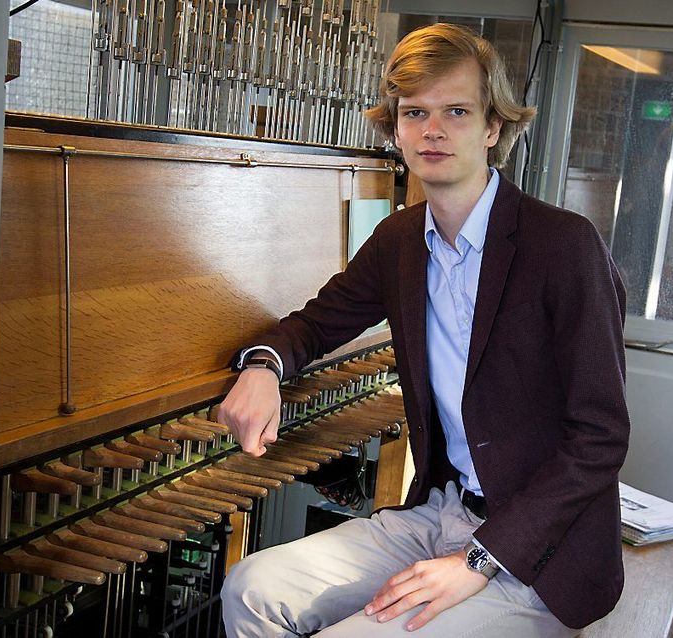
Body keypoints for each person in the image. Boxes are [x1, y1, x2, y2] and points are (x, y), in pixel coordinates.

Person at [217, 22, 630, 637]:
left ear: (493, 128)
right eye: (415, 113)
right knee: (249, 590)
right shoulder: (399, 241)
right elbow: (314, 324)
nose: (432, 130)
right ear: (396, 129)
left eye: (456, 111)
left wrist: (481, 559)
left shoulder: (564, 244)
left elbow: (600, 438)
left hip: (540, 553)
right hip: (443, 511)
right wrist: (262, 366)